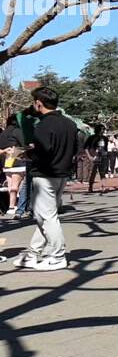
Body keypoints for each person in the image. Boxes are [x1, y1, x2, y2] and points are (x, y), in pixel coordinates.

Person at [11, 87, 79, 271]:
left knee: (47, 217)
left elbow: (42, 152)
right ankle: (33, 253)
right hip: (62, 174)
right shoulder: (70, 124)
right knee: (45, 216)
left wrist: (26, 154)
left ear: (38, 103)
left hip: (45, 175)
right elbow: (74, 150)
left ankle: (57, 255)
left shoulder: (43, 125)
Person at [1, 114, 27, 217]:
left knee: (10, 185)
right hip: (18, 160)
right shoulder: (17, 131)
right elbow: (24, 144)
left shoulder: (3, 133)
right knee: (17, 186)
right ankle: (13, 206)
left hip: (6, 161)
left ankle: (11, 206)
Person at [84, 124, 109, 194]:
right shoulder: (91, 137)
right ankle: (90, 187)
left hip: (103, 156)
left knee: (102, 172)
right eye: (102, 129)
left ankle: (103, 186)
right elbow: (85, 147)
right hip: (94, 156)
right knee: (93, 172)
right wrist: (89, 156)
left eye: (104, 129)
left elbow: (106, 148)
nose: (103, 130)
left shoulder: (105, 138)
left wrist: (106, 155)